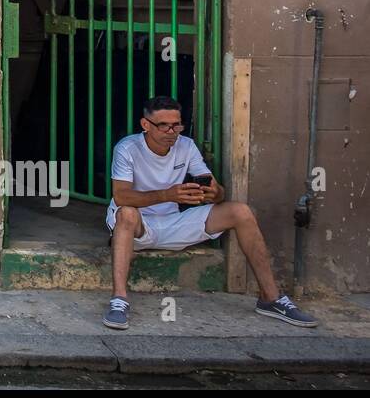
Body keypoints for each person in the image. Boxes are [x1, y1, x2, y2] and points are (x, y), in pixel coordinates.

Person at [102, 95, 317, 330]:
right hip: (138, 228)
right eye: (163, 125)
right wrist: (167, 195)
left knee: (240, 211)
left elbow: (217, 191)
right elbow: (121, 196)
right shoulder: (128, 148)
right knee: (127, 213)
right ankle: (119, 301)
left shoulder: (186, 145)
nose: (172, 131)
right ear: (145, 125)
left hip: (174, 222)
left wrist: (213, 193)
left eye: (177, 124)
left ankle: (271, 298)